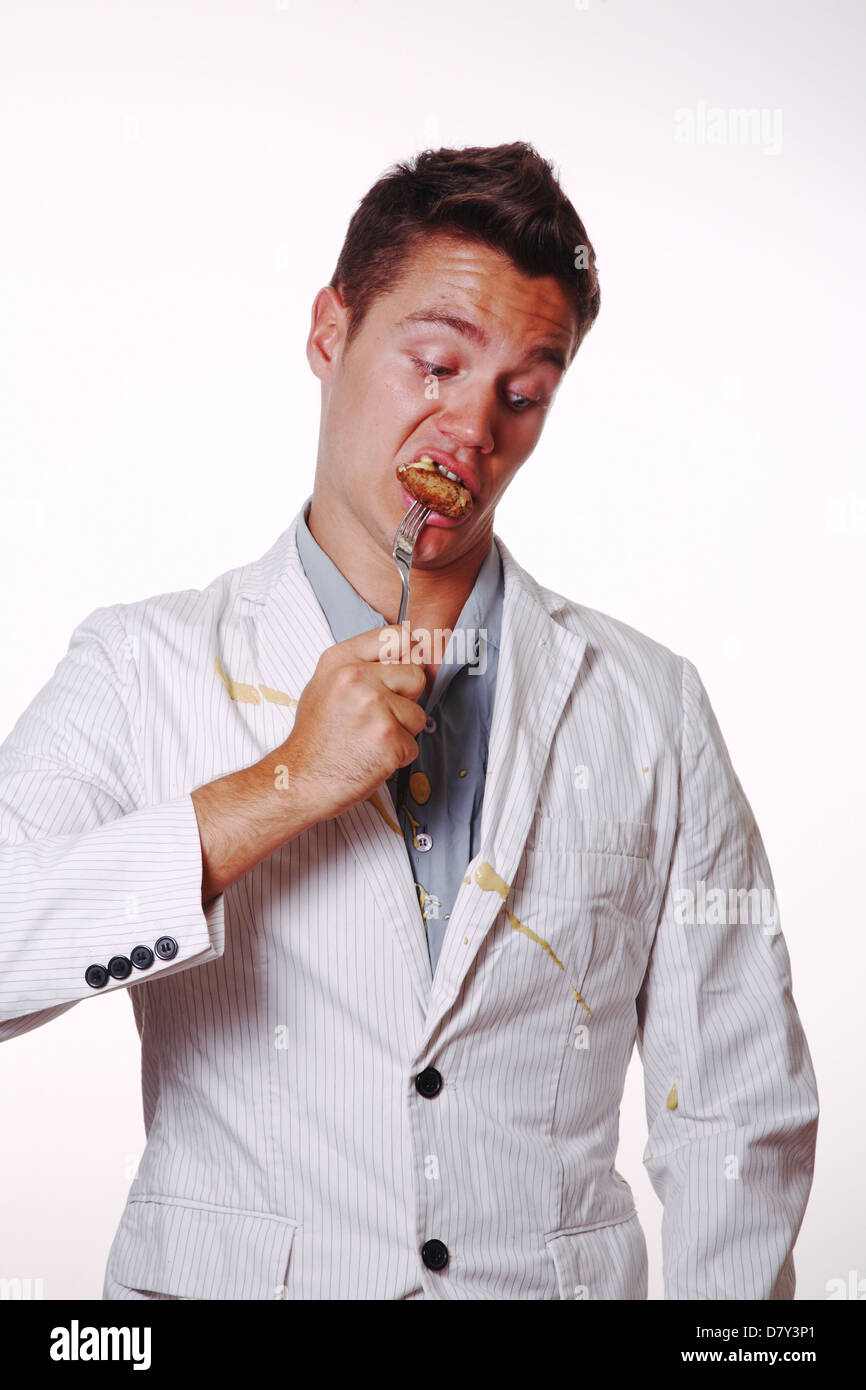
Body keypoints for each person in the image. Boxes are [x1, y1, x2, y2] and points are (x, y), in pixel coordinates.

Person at [0, 142, 818, 1300]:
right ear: (329, 332)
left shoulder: (651, 705)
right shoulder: (144, 666)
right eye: (434, 363)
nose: (470, 430)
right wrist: (281, 783)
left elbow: (739, 1106)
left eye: (522, 395)